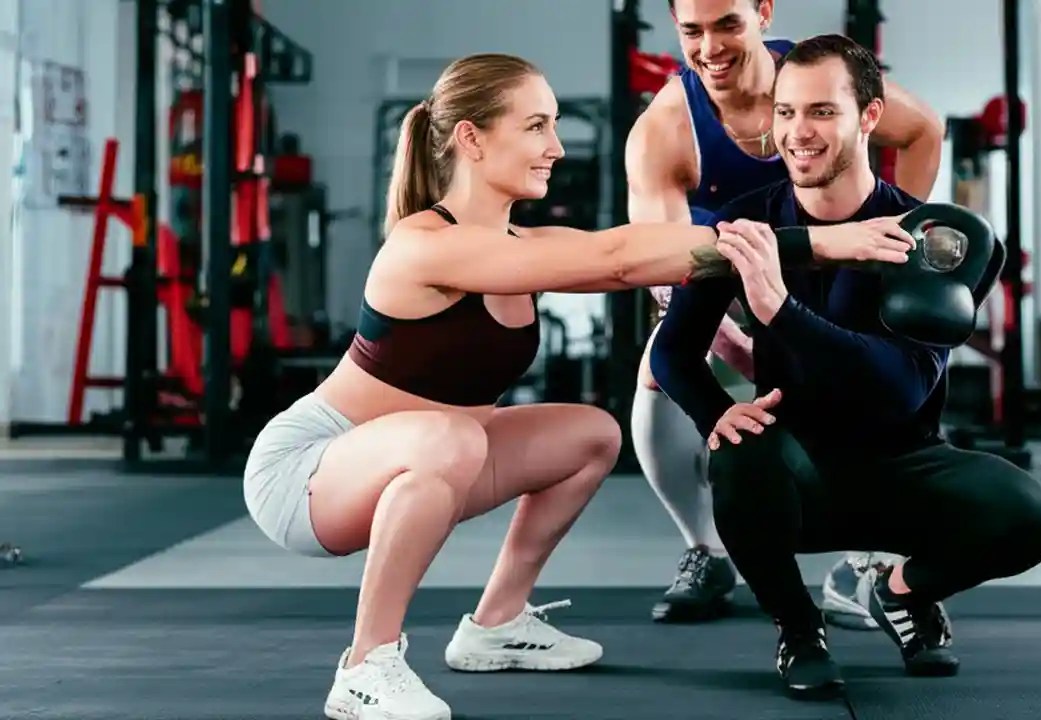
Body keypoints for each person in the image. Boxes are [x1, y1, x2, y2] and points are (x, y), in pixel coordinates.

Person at [242, 52, 917, 720]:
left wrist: (776, 250)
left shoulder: (519, 242)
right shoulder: (425, 245)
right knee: (448, 436)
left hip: (437, 455)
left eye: (554, 125)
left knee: (589, 435)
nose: (556, 148)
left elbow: (641, 247)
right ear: (471, 139)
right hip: (307, 472)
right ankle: (366, 667)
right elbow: (618, 260)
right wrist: (822, 243)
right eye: (536, 126)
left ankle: (496, 623)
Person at [650, 35, 1041, 699]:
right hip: (795, 475)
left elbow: (898, 389)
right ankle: (798, 626)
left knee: (1027, 515)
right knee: (738, 450)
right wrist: (715, 409)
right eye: (784, 113)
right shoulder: (747, 223)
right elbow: (672, 349)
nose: (797, 132)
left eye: (820, 112)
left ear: (868, 116)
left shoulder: (922, 236)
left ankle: (900, 595)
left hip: (902, 469)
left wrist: (779, 312)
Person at [626, 0, 946, 627]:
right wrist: (726, 340)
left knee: (887, 364)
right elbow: (661, 260)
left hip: (841, 257)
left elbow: (922, 129)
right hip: (723, 273)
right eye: (692, 31)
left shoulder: (816, 75)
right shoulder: (666, 127)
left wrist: (901, 236)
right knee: (660, 371)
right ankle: (704, 548)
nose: (710, 47)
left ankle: (868, 558)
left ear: (763, 13)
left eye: (727, 25)